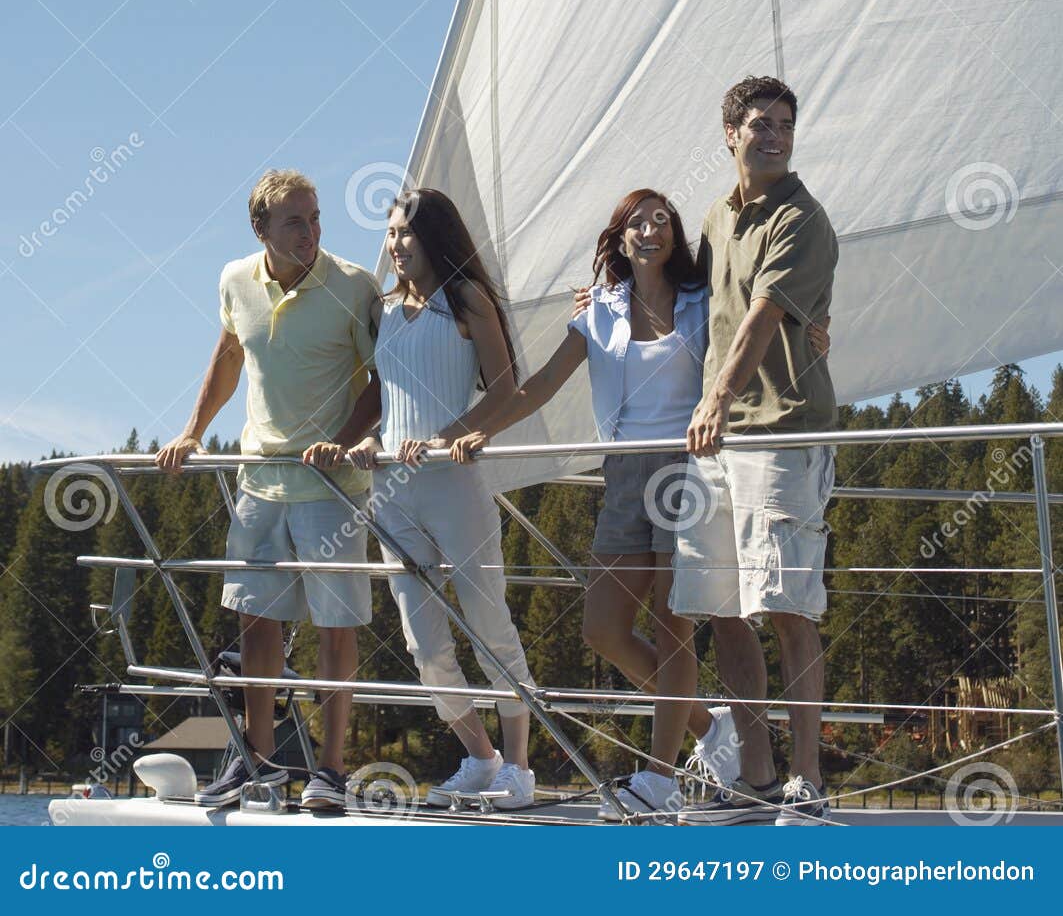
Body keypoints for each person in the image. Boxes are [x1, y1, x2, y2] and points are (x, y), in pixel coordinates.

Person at [446, 190, 822, 816]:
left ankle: (659, 778)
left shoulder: (703, 305)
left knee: (676, 628)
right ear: (619, 238)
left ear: (675, 235)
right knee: (602, 628)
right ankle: (710, 725)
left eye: (662, 220)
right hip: (623, 472)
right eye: (637, 223)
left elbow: (762, 334)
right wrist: (485, 428)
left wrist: (815, 332)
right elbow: (540, 384)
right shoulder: (598, 313)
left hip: (689, 471)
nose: (651, 230)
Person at [155, 169, 380, 812]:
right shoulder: (233, 279)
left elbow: (381, 379)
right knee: (258, 623)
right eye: (294, 222)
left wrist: (342, 437)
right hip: (260, 480)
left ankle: (330, 772)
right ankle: (257, 760)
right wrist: (193, 431)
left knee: (336, 627)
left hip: (331, 487)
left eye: (315, 218)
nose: (310, 232)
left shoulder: (355, 287)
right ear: (261, 230)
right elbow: (228, 355)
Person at [671, 75, 839, 826]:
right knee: (723, 608)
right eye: (759, 123)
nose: (773, 134)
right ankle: (758, 776)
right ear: (729, 133)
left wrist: (713, 401)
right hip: (716, 439)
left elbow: (762, 320)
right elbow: (694, 302)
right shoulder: (716, 217)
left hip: (780, 430)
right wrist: (602, 293)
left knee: (786, 606)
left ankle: (807, 780)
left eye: (784, 123)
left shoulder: (803, 219)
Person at [344, 188, 538, 811]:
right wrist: (356, 440)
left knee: (490, 630)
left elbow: (506, 389)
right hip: (391, 494)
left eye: (406, 232)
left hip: (454, 484)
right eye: (391, 232)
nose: (396, 244)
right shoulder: (384, 309)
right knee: (423, 645)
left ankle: (521, 768)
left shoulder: (468, 299)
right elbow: (384, 392)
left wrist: (448, 437)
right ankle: (480, 756)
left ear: (435, 236)